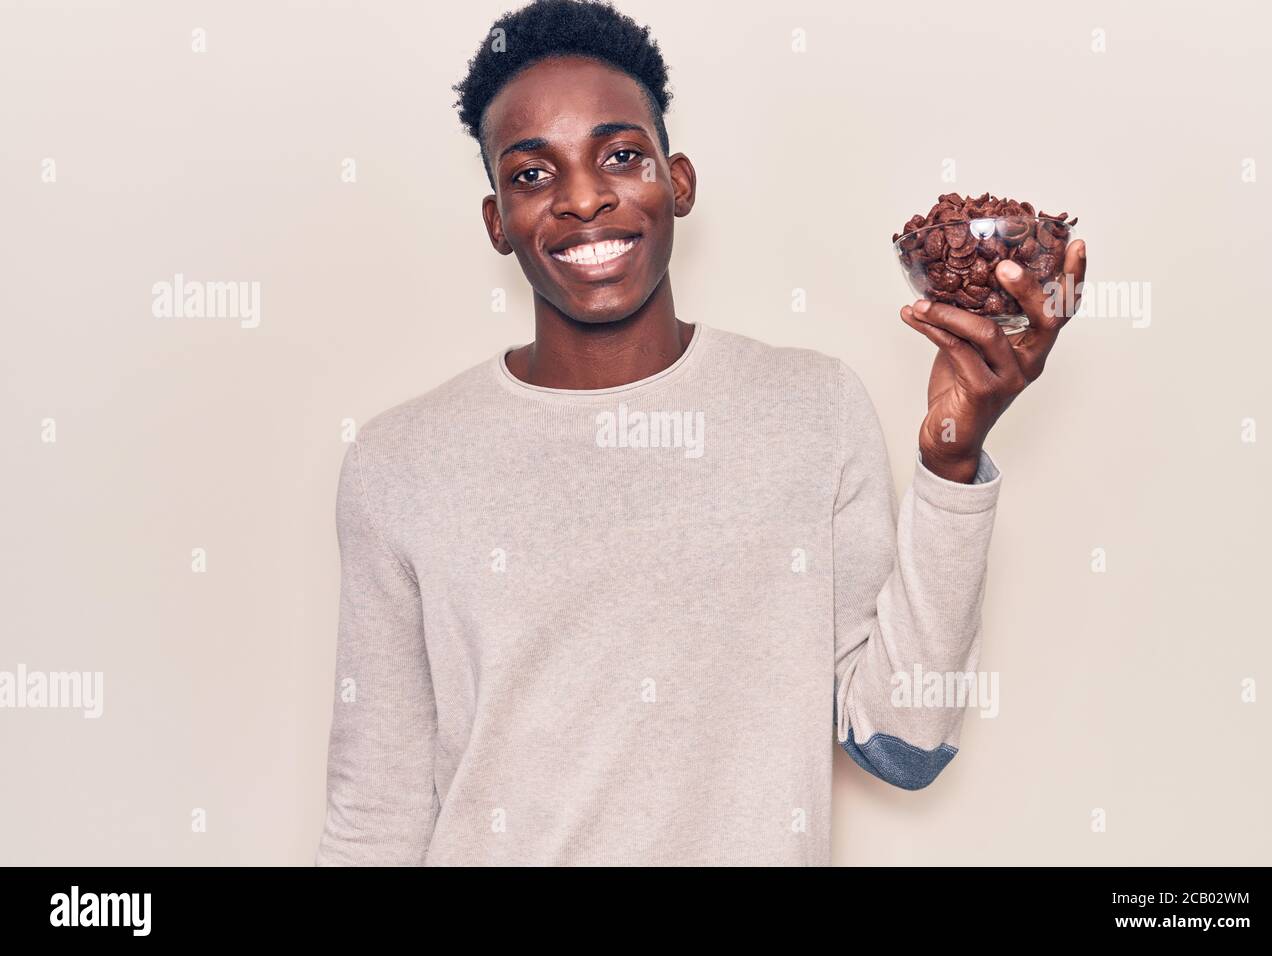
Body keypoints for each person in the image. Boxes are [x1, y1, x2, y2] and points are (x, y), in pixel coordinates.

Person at [314, 0, 1086, 866]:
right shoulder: (400, 463)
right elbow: (373, 819)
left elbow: (901, 742)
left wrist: (950, 466)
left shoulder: (811, 407)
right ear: (496, 220)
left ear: (677, 181)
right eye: (532, 174)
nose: (583, 197)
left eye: (619, 155)